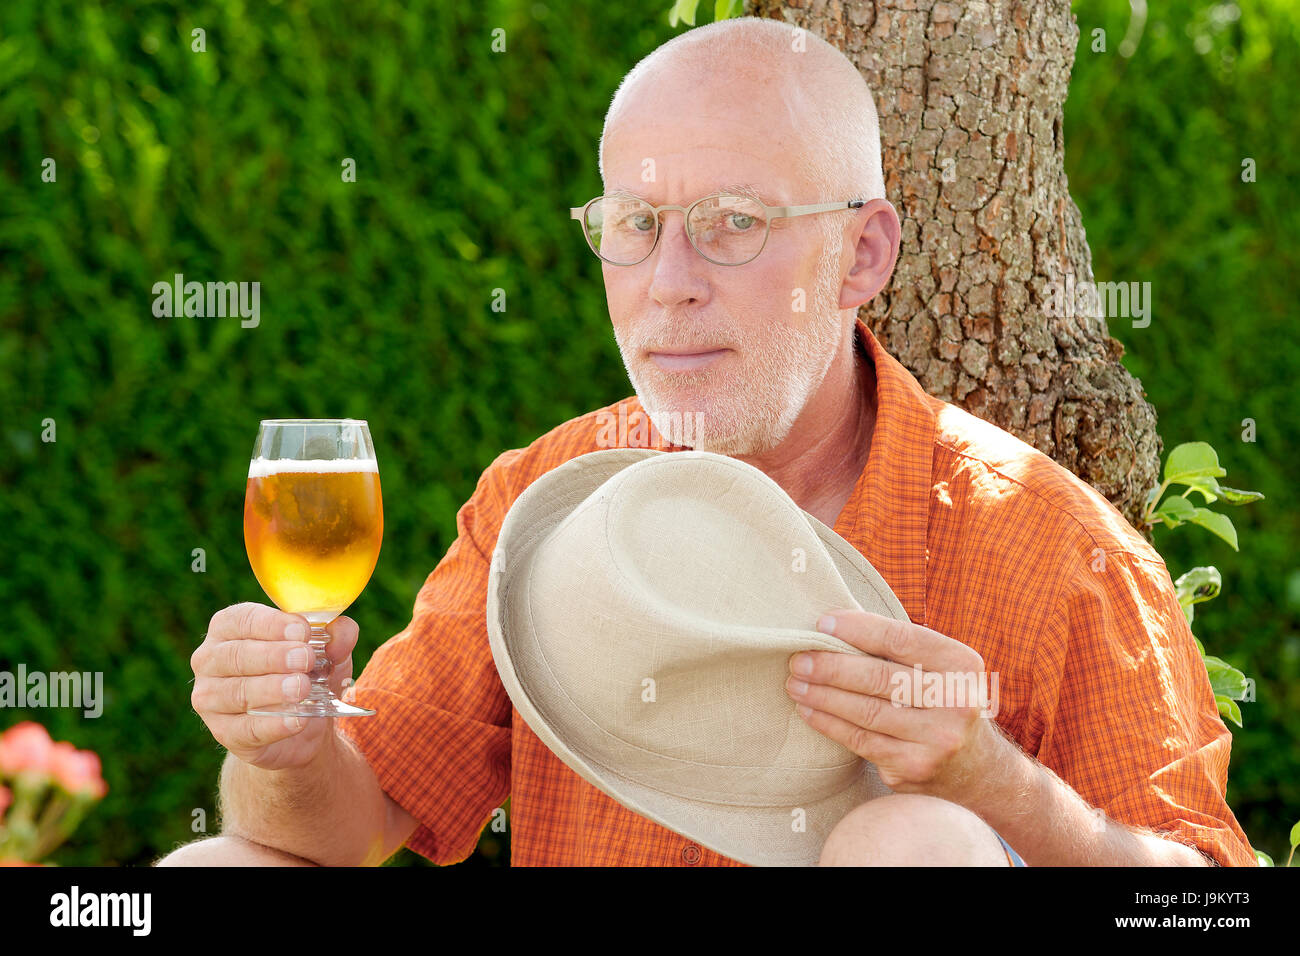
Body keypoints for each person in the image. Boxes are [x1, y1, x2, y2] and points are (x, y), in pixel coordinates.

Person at [158, 17, 1254, 868]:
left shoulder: (1051, 546)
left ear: (863, 253)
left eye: (733, 220)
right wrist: (283, 747)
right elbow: (347, 823)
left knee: (911, 840)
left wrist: (991, 780)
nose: (668, 284)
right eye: (634, 225)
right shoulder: (545, 502)